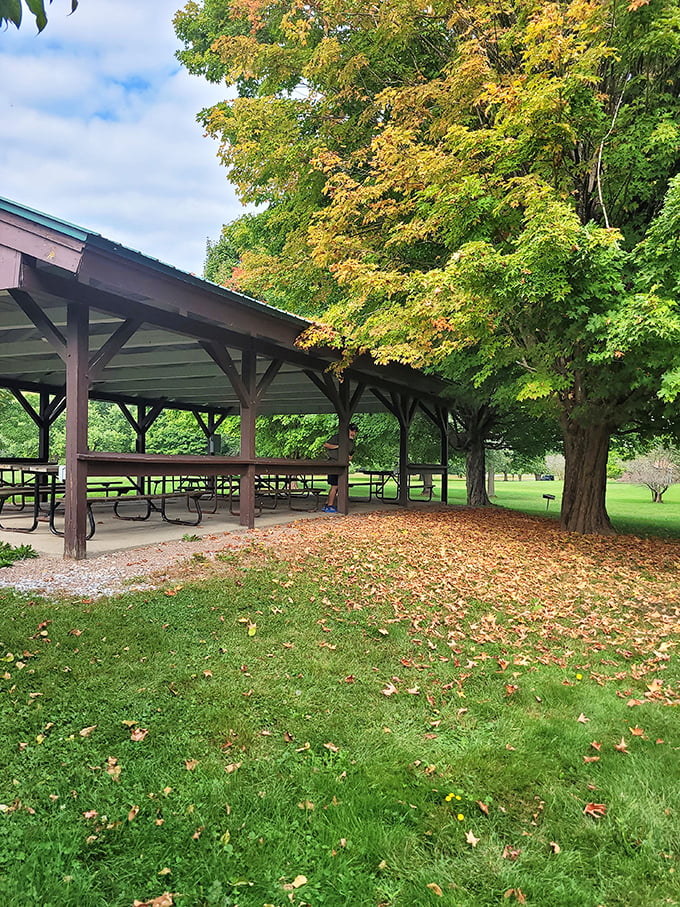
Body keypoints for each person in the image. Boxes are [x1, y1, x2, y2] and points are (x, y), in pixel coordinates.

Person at [322, 423, 358, 512]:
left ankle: (327, 504)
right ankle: (330, 506)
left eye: (355, 431)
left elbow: (350, 454)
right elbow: (326, 445)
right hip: (333, 464)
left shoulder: (351, 443)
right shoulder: (338, 437)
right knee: (335, 486)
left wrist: (349, 457)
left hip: (342, 465)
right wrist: (339, 446)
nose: (353, 433)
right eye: (351, 430)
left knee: (338, 486)